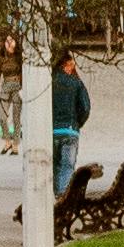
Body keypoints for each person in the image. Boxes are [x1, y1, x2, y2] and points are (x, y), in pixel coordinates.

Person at [51, 47, 90, 199]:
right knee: (67, 166)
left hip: (52, 130)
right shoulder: (76, 83)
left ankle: (57, 194)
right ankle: (63, 196)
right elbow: (85, 107)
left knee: (55, 165)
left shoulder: (49, 82)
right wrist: (77, 123)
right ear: (66, 64)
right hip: (70, 130)